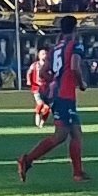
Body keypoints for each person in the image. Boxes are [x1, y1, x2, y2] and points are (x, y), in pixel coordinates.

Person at [17, 15, 88, 183]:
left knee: (76, 133)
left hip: (56, 93)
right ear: (75, 29)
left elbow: (42, 73)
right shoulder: (74, 46)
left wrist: (54, 80)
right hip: (65, 95)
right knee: (61, 135)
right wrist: (82, 83)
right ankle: (27, 159)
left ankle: (78, 173)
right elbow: (74, 67)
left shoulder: (55, 48)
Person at [28, 47, 52, 127]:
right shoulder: (34, 65)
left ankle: (42, 123)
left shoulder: (49, 65)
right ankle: (37, 114)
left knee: (47, 108)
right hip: (36, 88)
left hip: (46, 88)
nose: (44, 55)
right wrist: (29, 81)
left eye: (45, 54)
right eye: (43, 54)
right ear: (39, 56)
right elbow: (29, 72)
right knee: (40, 103)